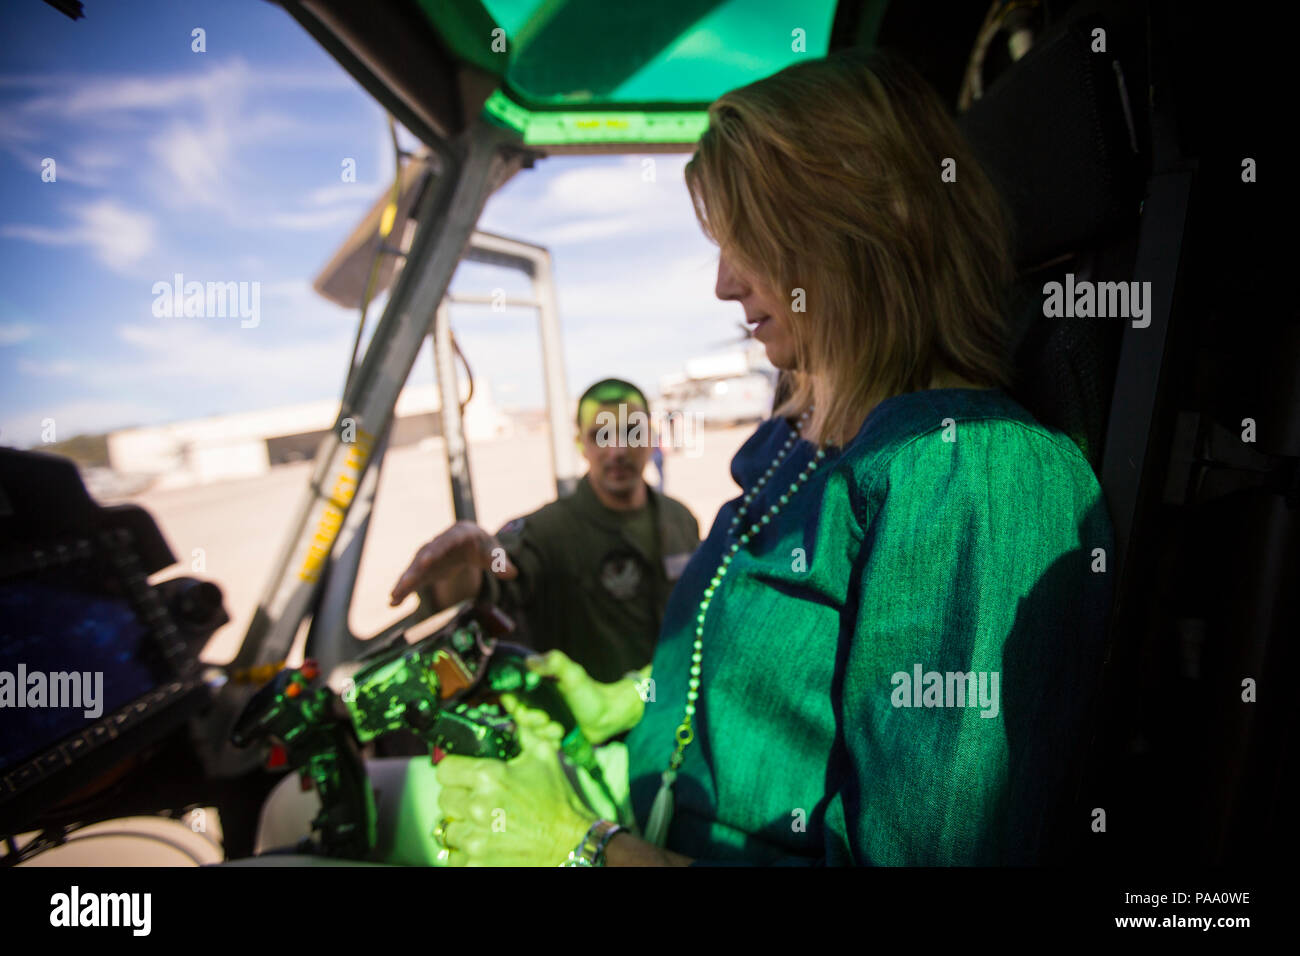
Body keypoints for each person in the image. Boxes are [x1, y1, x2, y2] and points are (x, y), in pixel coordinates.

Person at [431, 50, 1114, 867]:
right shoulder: (806, 446)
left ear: (876, 221)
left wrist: (579, 848)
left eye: (749, 239)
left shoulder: (976, 476)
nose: (723, 284)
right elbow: (762, 683)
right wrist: (622, 703)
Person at [389, 378, 700, 684]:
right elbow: (498, 580)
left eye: (631, 433)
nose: (617, 449)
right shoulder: (548, 531)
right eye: (600, 435)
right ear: (581, 444)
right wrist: (461, 570)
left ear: (650, 438)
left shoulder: (680, 520)